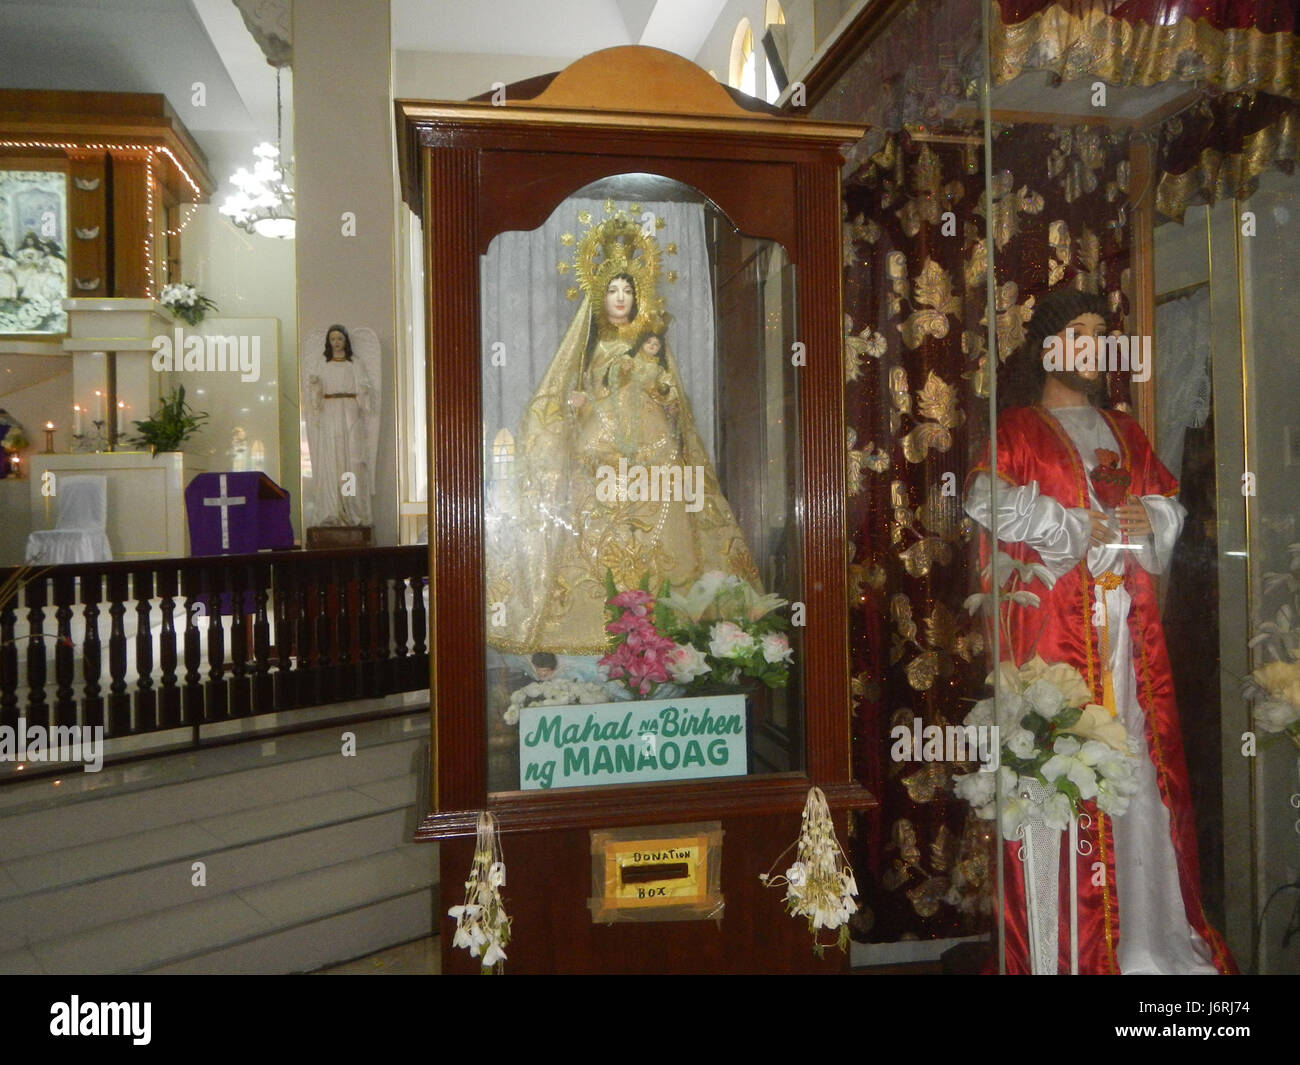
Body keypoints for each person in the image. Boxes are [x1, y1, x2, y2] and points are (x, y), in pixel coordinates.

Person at [964, 285, 1235, 974]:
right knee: (1067, 777)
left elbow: (1166, 507)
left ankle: (1148, 942)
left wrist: (1154, 520)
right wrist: (1066, 525)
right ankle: (1069, 951)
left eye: (1100, 333)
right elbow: (983, 498)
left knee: (1140, 779)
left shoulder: (1127, 430)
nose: (1091, 346)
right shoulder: (1018, 430)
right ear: (1049, 347)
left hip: (1131, 645)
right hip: (1056, 644)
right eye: (1078, 332)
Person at [485, 213, 759, 656]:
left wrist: (666, 399)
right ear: (599, 295)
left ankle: (669, 623)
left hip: (654, 452)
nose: (620, 297)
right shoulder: (590, 347)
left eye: (628, 289)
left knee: (668, 519)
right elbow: (570, 401)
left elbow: (673, 401)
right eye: (612, 289)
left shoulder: (651, 341)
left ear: (639, 295)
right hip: (603, 448)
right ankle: (594, 625)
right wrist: (576, 409)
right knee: (594, 520)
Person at [304, 324, 377, 526]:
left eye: (340, 339)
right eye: (333, 339)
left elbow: (364, 390)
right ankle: (333, 510)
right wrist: (315, 385)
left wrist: (364, 390)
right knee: (333, 462)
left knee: (351, 462)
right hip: (330, 412)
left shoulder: (354, 363)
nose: (336, 343)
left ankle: (351, 507)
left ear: (346, 341)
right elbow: (315, 395)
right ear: (328, 341)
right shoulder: (323, 364)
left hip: (350, 411)